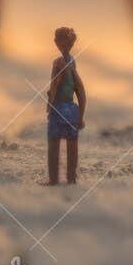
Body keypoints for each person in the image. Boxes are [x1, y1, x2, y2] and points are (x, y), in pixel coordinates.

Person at [46, 26, 87, 185]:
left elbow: (55, 84)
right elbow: (80, 90)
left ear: (57, 42)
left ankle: (53, 179)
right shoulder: (72, 62)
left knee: (53, 143)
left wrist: (49, 105)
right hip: (72, 109)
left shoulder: (58, 62)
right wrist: (81, 115)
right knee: (72, 144)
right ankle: (71, 178)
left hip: (59, 108)